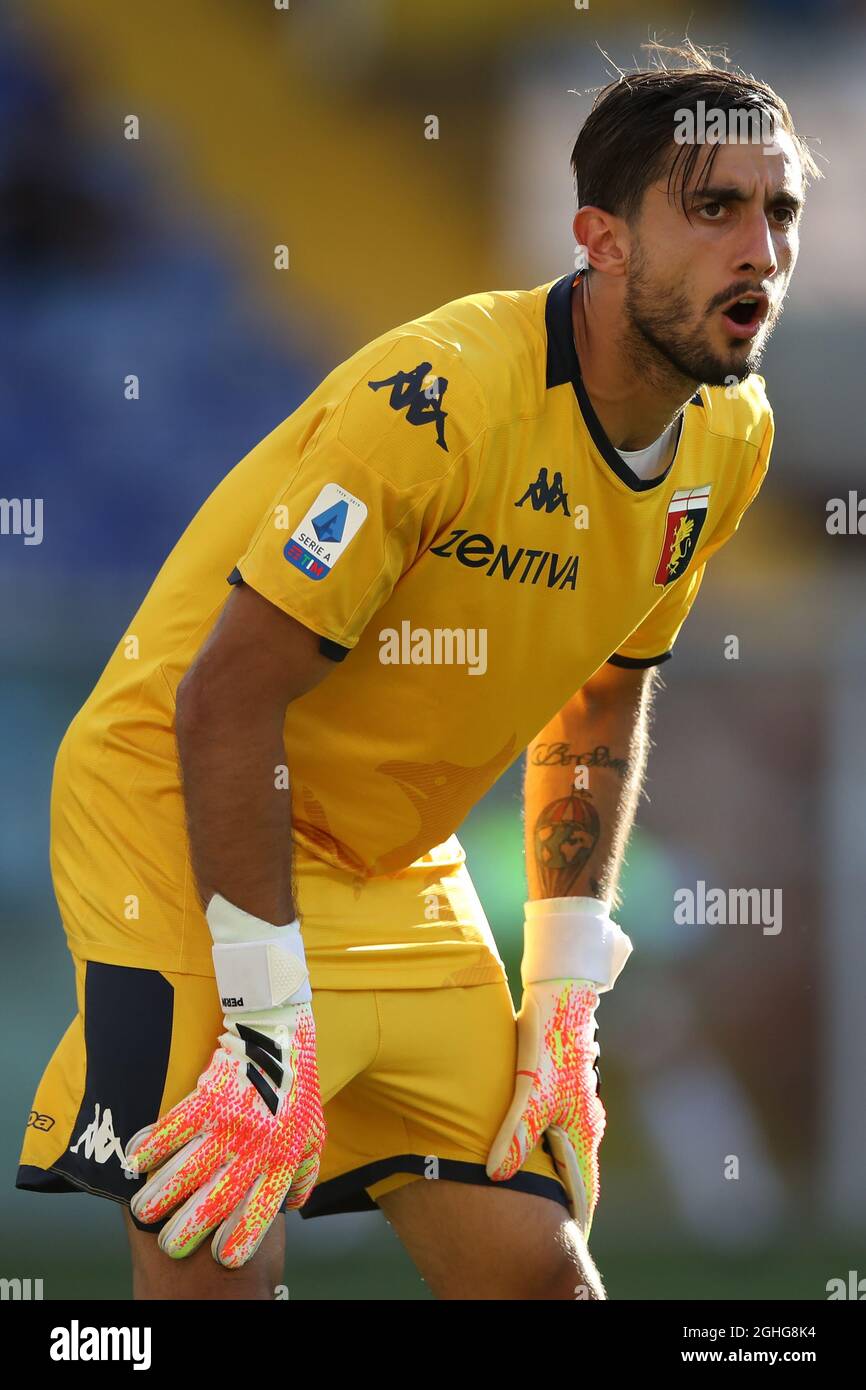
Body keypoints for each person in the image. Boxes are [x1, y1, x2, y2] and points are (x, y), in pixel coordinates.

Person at [17, 41, 817, 1300]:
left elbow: (600, 694)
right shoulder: (440, 397)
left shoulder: (735, 434)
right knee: (220, 1251)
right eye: (711, 207)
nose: (758, 249)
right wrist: (269, 1024)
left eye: (777, 211)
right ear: (598, 239)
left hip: (394, 860)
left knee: (538, 1277)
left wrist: (560, 986)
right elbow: (223, 701)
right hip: (179, 819)